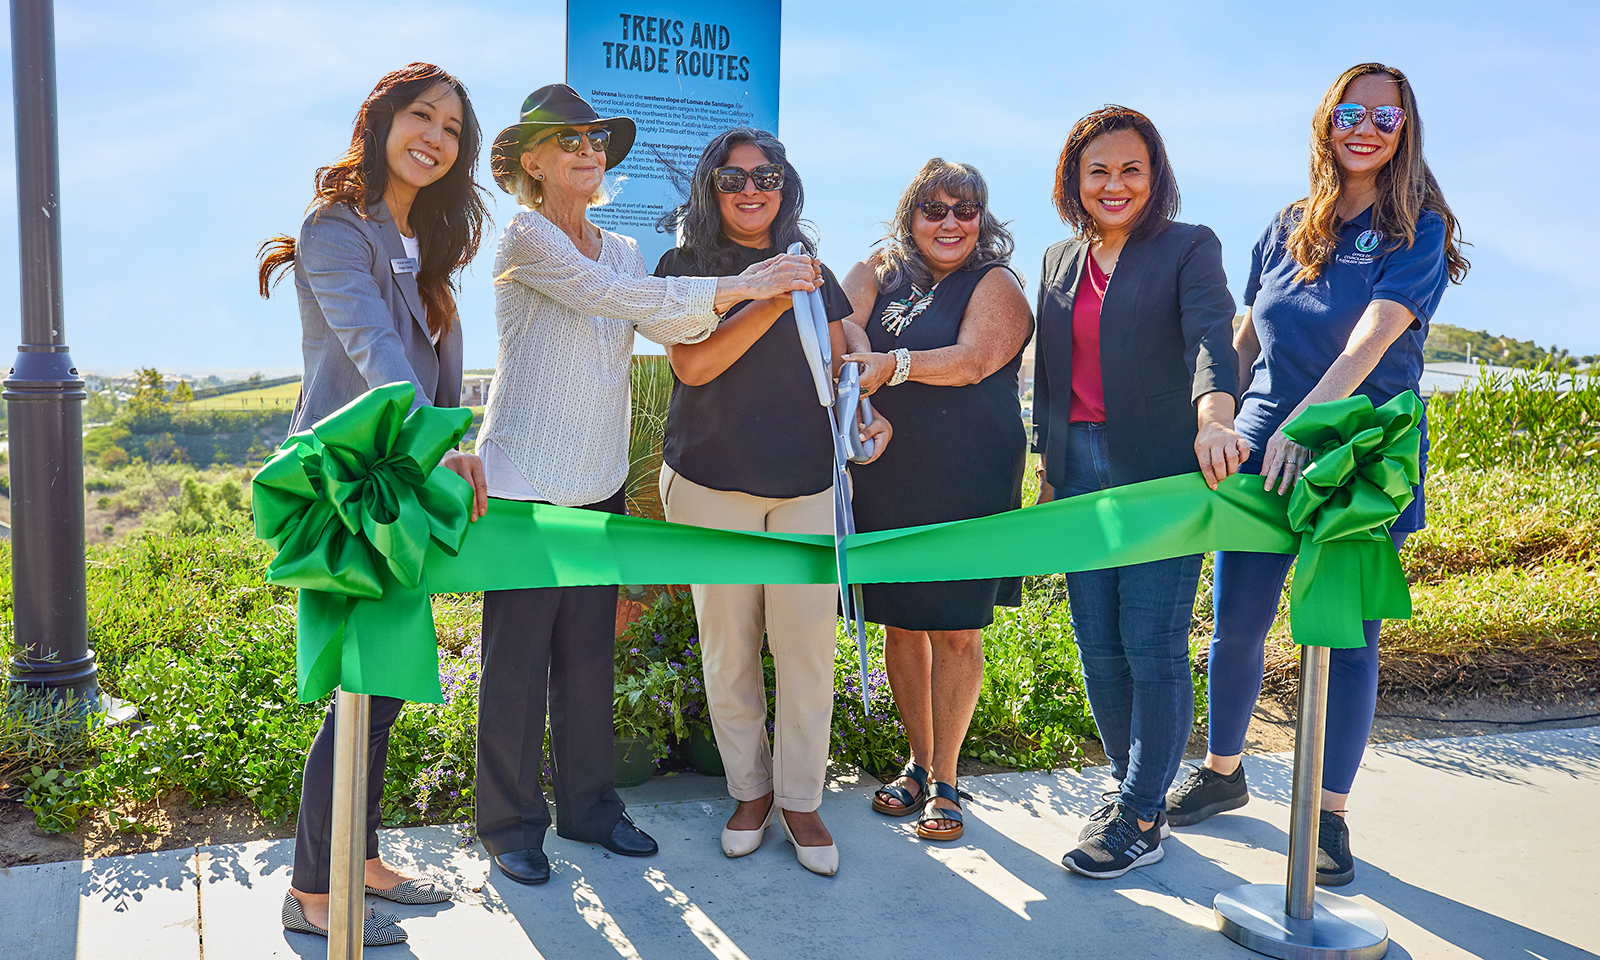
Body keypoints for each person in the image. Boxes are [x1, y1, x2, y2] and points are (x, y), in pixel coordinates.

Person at [474, 85, 822, 887]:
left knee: (590, 658)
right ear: (532, 160)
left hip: (597, 480)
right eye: (567, 141)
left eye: (595, 139)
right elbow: (627, 302)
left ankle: (591, 808)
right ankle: (510, 824)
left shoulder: (624, 246)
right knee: (518, 663)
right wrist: (756, 282)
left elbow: (671, 323)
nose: (587, 151)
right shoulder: (525, 236)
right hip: (525, 480)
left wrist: (755, 297)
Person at [1165, 63, 1469, 886]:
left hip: (1361, 452)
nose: (1365, 127)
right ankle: (1224, 772)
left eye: (1385, 116)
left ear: (1405, 131)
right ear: (1326, 121)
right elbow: (1245, 338)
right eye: (1350, 111)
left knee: (1346, 637)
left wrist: (1309, 423)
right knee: (1236, 621)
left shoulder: (1421, 229)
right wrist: (1217, 415)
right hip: (1264, 443)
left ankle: (1328, 815)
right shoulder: (1289, 225)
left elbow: (1372, 338)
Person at [256, 63, 492, 946]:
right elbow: (370, 347)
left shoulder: (419, 240)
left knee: (382, 686)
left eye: (452, 129)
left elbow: (437, 364)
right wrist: (443, 438)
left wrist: (450, 437)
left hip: (407, 482)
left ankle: (355, 860)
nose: (435, 136)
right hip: (351, 482)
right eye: (421, 116)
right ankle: (313, 893)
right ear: (384, 119)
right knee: (360, 685)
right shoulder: (337, 226)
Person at [652, 128, 891, 877]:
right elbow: (693, 365)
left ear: (786, 187)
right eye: (733, 178)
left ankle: (799, 799)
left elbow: (844, 357)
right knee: (728, 651)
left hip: (810, 484)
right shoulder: (681, 268)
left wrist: (867, 411)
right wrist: (769, 291)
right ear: (709, 188)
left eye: (768, 175)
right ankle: (749, 792)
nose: (752, 189)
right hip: (709, 482)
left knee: (807, 652)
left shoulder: (813, 272)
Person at [1030, 106, 1245, 879]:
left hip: (1160, 469)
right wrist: (1047, 466)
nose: (1114, 184)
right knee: (1096, 643)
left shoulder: (1188, 247)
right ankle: (1133, 793)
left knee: (1151, 644)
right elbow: (1051, 376)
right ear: (1074, 180)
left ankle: (1142, 816)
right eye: (1099, 170)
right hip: (1077, 471)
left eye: (1131, 169)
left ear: (1155, 177)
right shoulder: (1057, 259)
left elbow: (1210, 341)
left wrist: (1214, 421)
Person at [840, 160, 1032, 842]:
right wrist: (862, 346)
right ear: (909, 215)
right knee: (901, 624)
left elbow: (977, 358)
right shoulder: (881, 273)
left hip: (969, 472)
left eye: (965, 209)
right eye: (934, 209)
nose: (950, 222)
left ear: (982, 219)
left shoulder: (996, 282)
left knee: (954, 626)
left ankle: (947, 778)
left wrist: (891, 367)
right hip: (888, 471)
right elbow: (836, 329)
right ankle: (915, 762)